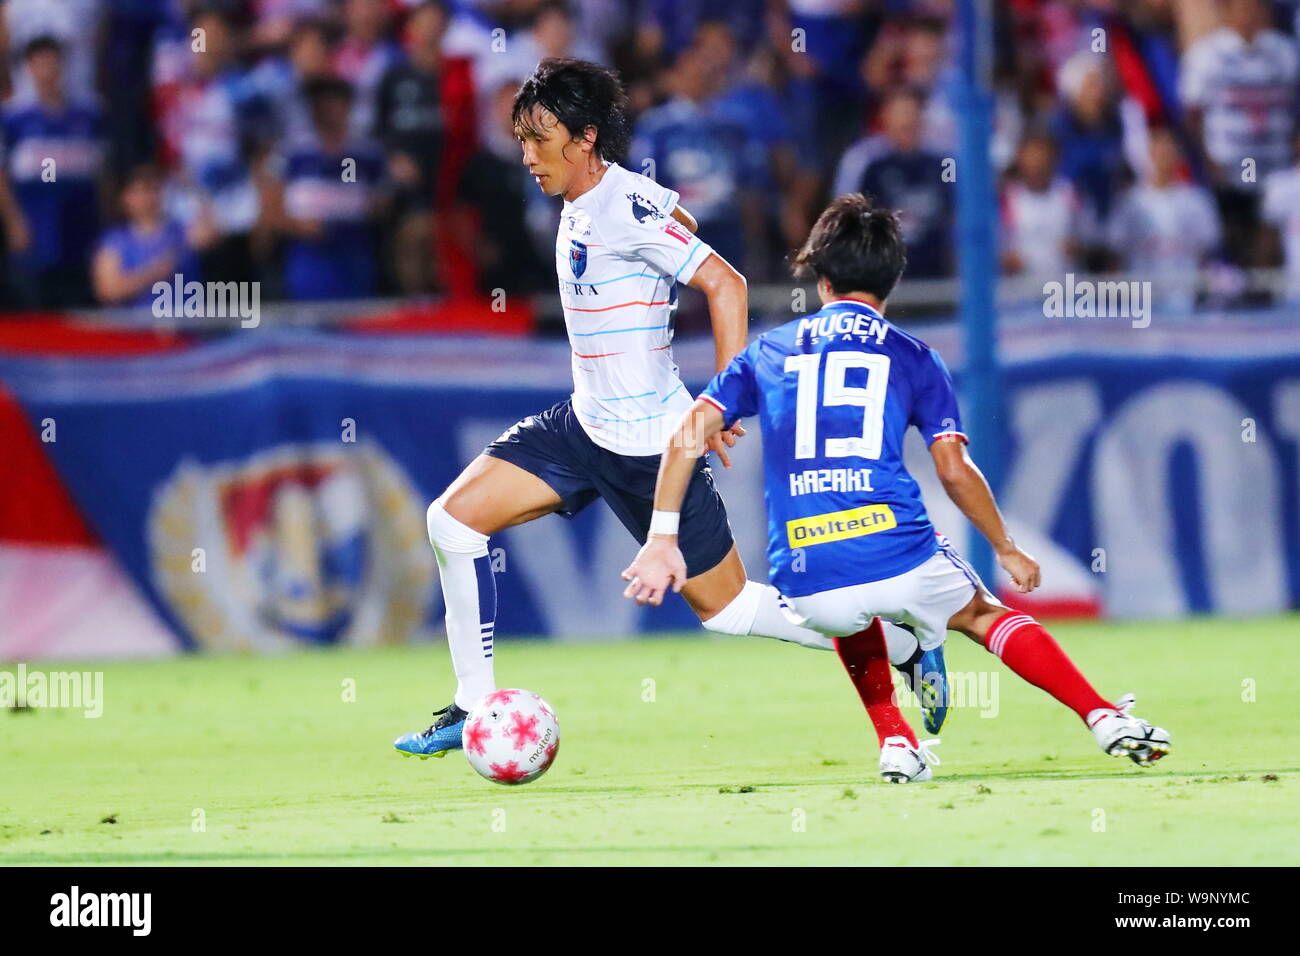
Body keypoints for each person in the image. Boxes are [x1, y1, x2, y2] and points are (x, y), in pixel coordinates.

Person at [392, 59, 942, 759]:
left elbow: (727, 283)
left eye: (540, 137)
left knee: (731, 608)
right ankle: (472, 706)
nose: (527, 155)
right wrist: (669, 209)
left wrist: (728, 394)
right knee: (452, 522)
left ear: (585, 137)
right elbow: (668, 215)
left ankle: (903, 644)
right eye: (522, 138)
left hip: (652, 446)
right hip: (582, 427)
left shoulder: (620, 209)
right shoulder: (598, 196)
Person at [621, 194, 1171, 782]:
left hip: (806, 573)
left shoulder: (769, 351)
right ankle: (1103, 717)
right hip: (899, 551)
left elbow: (684, 439)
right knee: (985, 615)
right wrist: (1005, 545)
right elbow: (954, 470)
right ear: (894, 279)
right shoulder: (915, 357)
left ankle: (896, 742)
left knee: (850, 614)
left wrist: (662, 538)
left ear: (822, 277)